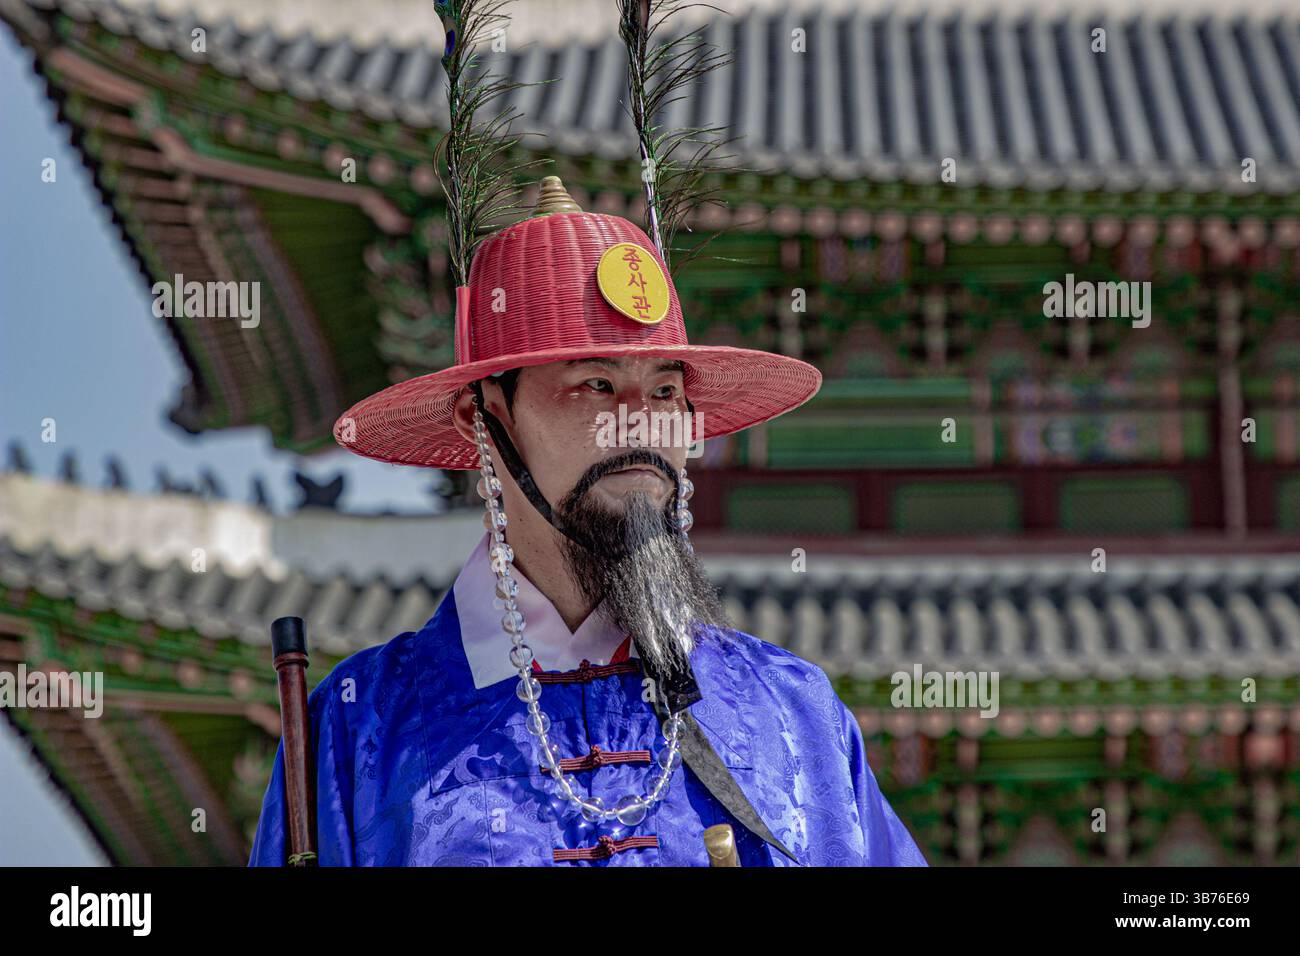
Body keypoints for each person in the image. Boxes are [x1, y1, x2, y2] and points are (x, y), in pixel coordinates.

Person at [248, 177, 927, 866]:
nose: (639, 422)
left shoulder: (794, 713)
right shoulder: (361, 726)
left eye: (664, 391)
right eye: (596, 385)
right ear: (483, 419)